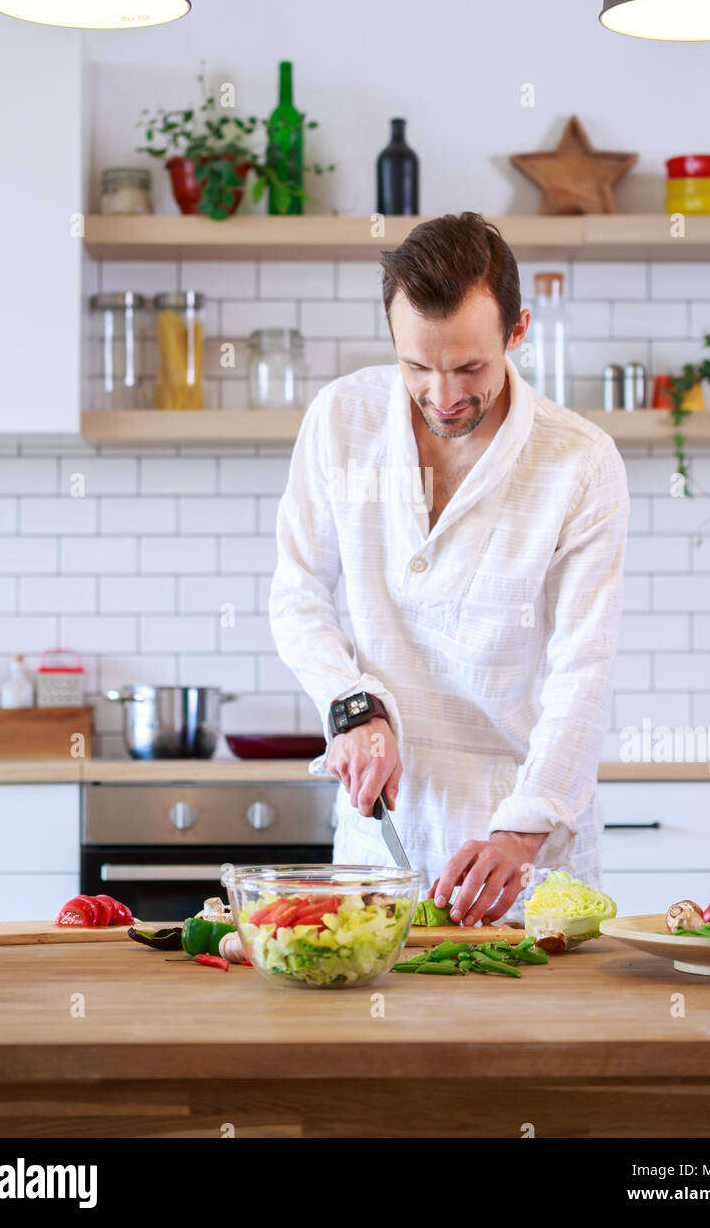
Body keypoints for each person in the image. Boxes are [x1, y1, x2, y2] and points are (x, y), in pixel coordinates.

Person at [268, 211, 629, 924]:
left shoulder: (580, 463)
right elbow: (297, 592)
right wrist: (354, 708)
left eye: (469, 368)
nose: (442, 397)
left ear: (517, 332)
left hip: (524, 862)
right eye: (417, 368)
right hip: (381, 846)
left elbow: (583, 671)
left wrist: (520, 833)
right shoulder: (341, 418)